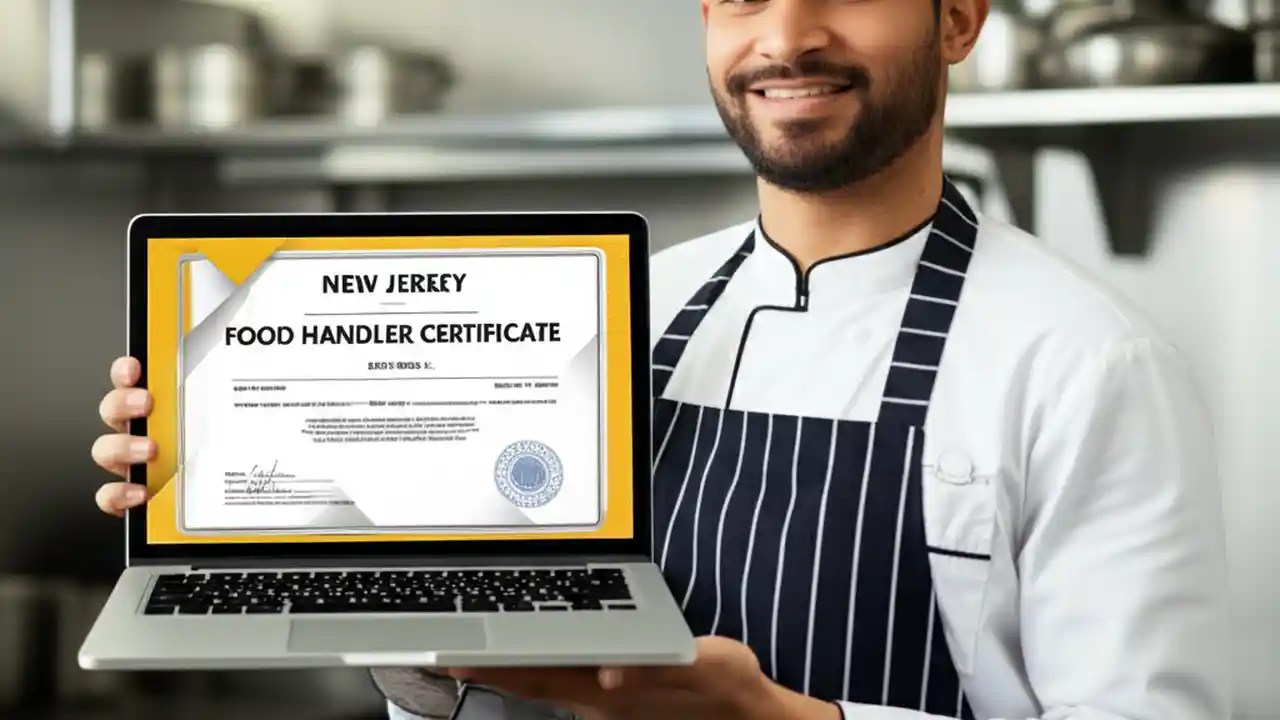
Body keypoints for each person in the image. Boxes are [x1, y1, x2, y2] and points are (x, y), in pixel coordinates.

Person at [93, 0, 1233, 717]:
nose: (784, 36)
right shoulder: (612, 312)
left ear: (958, 17)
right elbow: (481, 666)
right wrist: (242, 491)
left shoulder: (1084, 365)